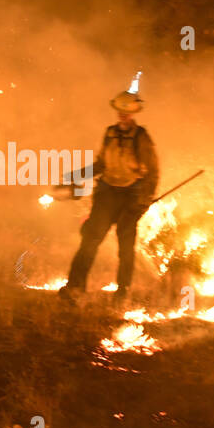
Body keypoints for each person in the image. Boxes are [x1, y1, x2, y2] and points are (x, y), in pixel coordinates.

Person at [59, 87, 160, 304]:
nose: (123, 115)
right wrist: (76, 176)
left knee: (125, 248)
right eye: (120, 111)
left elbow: (153, 172)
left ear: (134, 113)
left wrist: (143, 202)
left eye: (127, 111)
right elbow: (102, 164)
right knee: (90, 240)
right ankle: (75, 288)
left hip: (131, 197)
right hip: (107, 192)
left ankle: (122, 293)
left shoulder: (142, 138)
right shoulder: (110, 133)